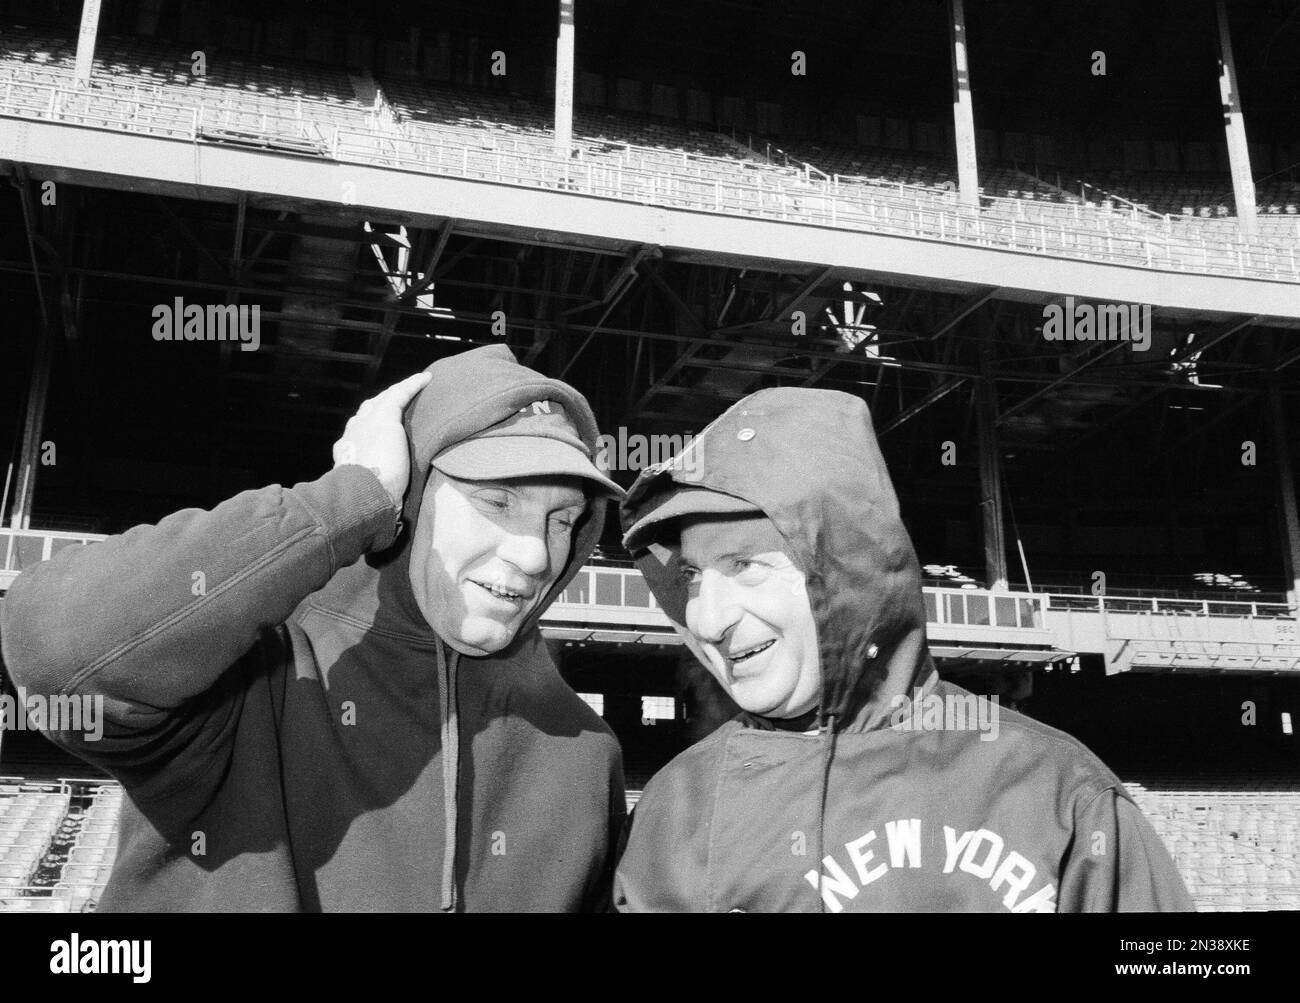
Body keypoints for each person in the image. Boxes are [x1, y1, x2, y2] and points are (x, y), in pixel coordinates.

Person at [1, 344, 626, 912]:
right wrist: (346, 500)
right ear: (408, 499)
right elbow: (56, 653)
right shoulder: (241, 679)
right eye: (497, 502)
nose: (537, 555)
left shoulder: (586, 754)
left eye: (563, 520)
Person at [614, 387, 1192, 912]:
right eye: (691, 577)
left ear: (844, 568)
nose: (708, 619)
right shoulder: (672, 808)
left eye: (745, 566)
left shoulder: (1059, 792)